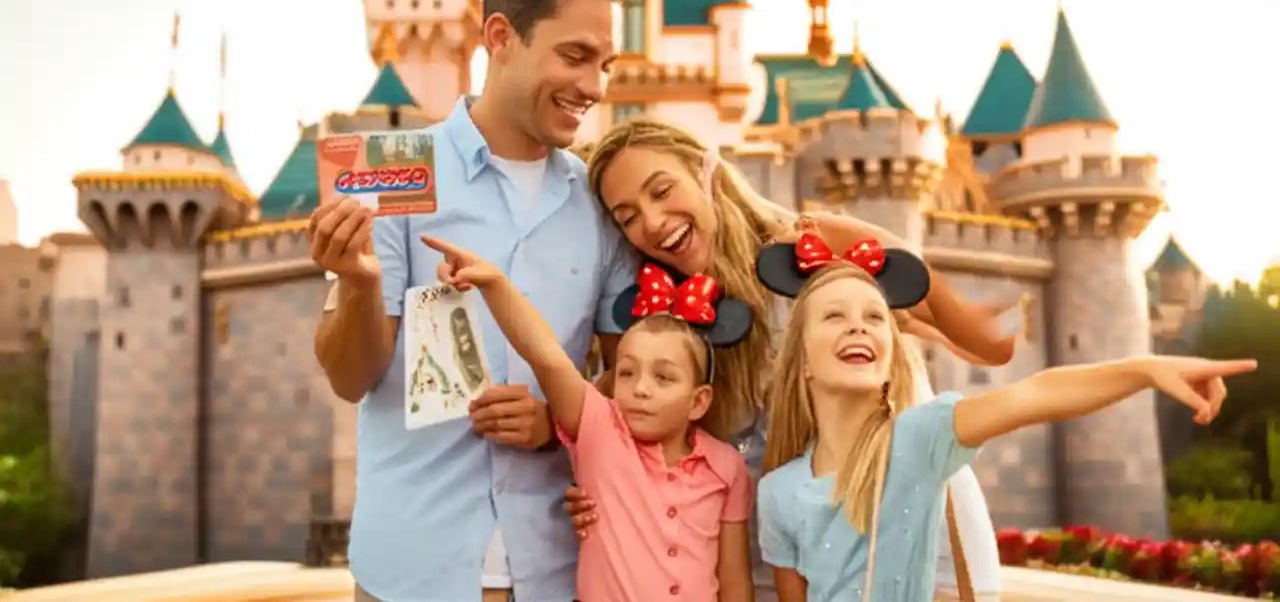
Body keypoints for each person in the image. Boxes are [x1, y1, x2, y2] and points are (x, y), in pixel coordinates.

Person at [563, 118, 1017, 599]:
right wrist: (593, 487)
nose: (652, 222)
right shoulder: (668, 324)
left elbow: (972, 334)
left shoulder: (814, 247)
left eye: (662, 190)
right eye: (627, 216)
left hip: (908, 532)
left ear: (706, 171)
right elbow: (618, 428)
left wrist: (978, 318)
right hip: (780, 558)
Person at [309, 0, 636, 602]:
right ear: (500, 35)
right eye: (574, 56)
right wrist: (360, 283)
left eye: (605, 63)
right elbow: (350, 378)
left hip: (560, 574)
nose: (594, 87)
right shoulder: (391, 171)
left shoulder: (602, 204)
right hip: (410, 573)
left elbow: (628, 379)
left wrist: (557, 421)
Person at [752, 240, 1255, 601]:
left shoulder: (920, 437)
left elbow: (1035, 392)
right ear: (803, 362)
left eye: (875, 316)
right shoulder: (778, 492)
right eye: (834, 315)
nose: (858, 324)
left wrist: (1144, 368)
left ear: (890, 360)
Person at [423, 236, 756, 601]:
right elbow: (546, 355)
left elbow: (734, 579)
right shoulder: (600, 430)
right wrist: (496, 284)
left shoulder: (726, 467)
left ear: (698, 401)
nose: (641, 389)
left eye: (663, 377)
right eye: (627, 373)